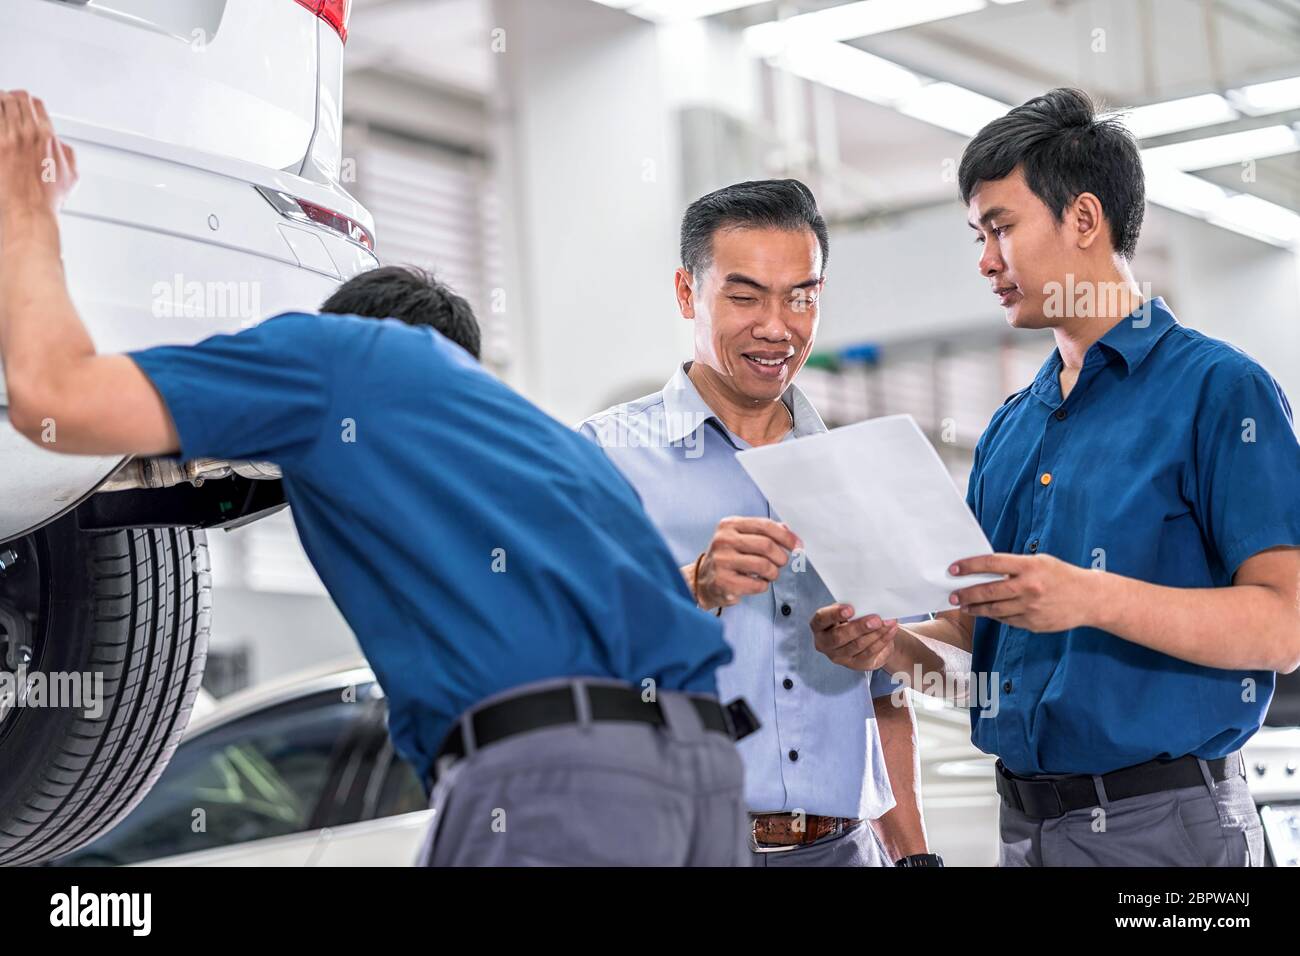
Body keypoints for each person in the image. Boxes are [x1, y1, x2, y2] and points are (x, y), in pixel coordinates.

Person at [0, 89, 749, 867]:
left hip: (556, 783)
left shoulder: (338, 357)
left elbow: (54, 400)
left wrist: (27, 202)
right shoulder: (559, 452)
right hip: (707, 781)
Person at [815, 88, 1300, 867]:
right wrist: (890, 650)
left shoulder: (1218, 392)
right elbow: (980, 652)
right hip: (1026, 828)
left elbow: (1284, 628)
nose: (985, 261)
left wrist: (1088, 596)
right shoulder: (1011, 429)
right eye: (977, 234)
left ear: (1082, 219)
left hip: (1169, 829)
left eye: (1001, 227)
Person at [580, 180, 940, 867]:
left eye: (801, 297)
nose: (777, 327)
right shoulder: (602, 459)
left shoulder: (858, 473)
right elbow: (554, 648)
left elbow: (886, 703)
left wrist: (916, 859)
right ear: (688, 293)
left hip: (844, 851)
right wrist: (689, 586)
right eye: (745, 297)